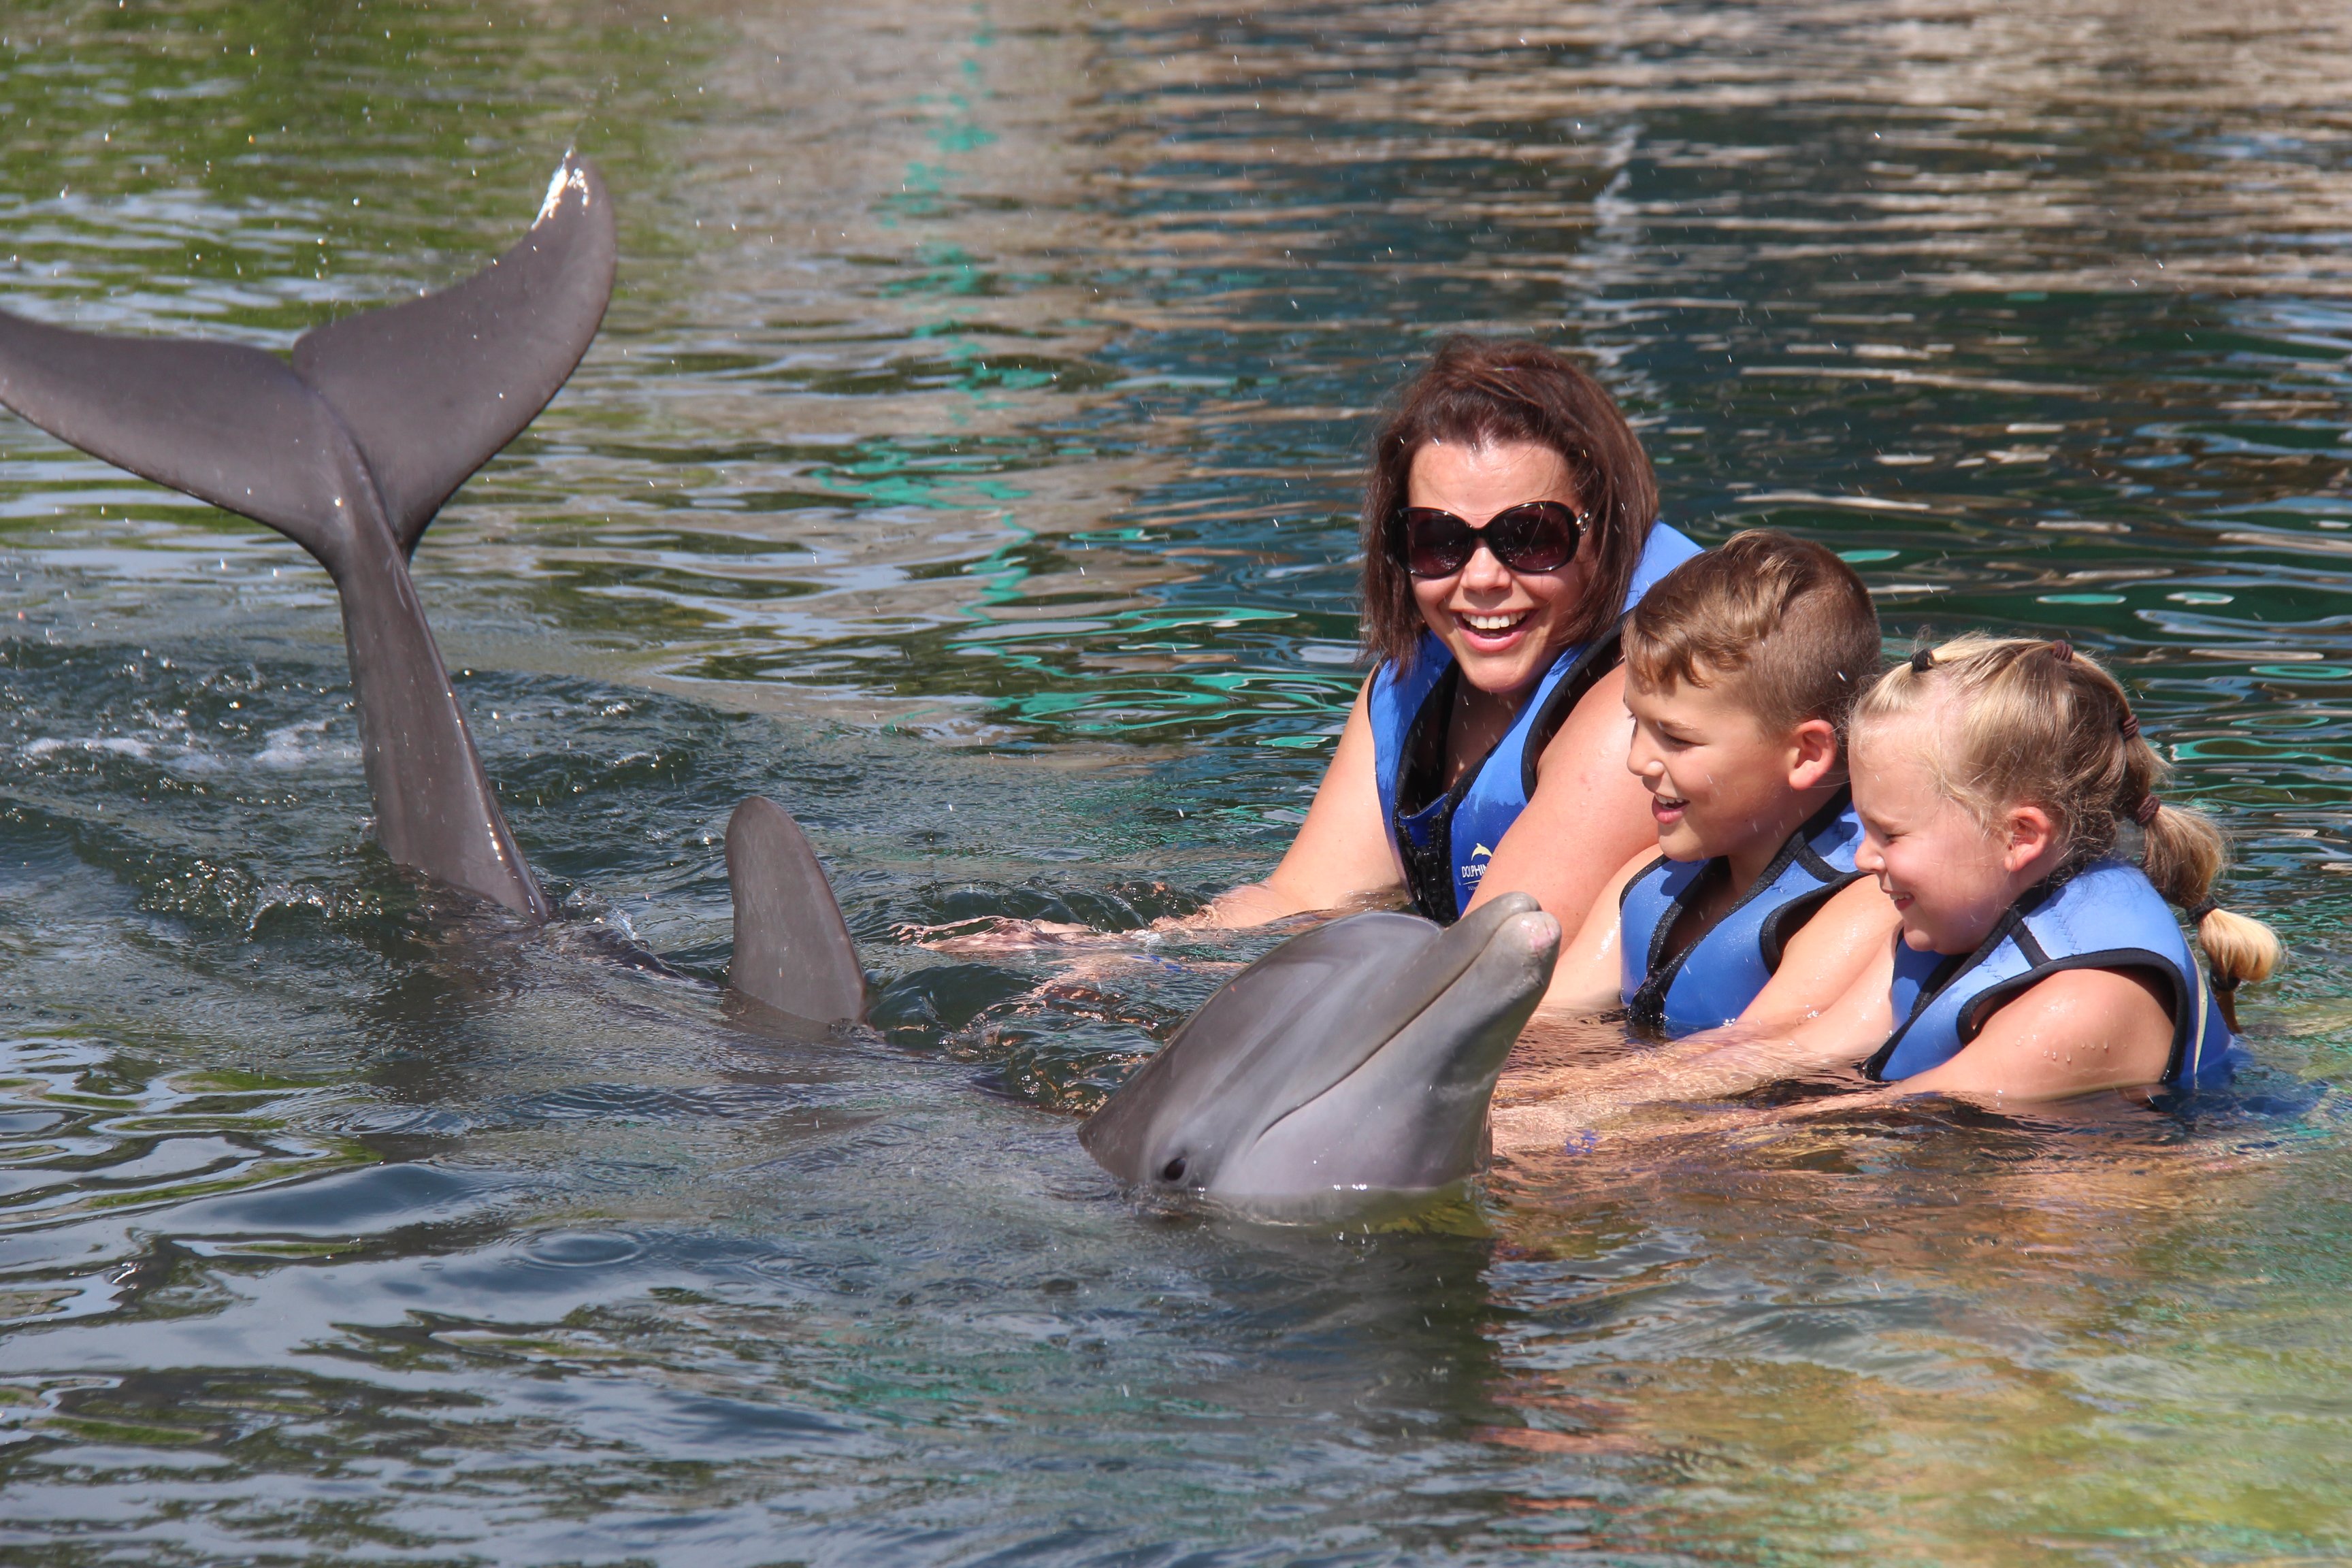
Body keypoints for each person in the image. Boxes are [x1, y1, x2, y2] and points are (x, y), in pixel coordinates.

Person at [1496, 636, 2283, 1142]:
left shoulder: (2086, 1002)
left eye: (1890, 835)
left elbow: (1869, 1119)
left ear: (2019, 837)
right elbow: (1780, 1049)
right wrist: (1533, 1105)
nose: (1862, 861)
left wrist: (1590, 1145)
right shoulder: (1949, 918)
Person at [1194, 336, 1703, 932]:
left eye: (1531, 536)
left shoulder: (1649, 699)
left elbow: (1489, 960)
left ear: (1606, 532)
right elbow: (1298, 900)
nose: (1482, 579)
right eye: (1440, 541)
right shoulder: (1416, 681)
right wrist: (1136, 954)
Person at [1534, 531, 1898, 1026]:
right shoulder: (1650, 880)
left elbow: (1739, 1060)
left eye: (1676, 738)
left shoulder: (1868, 903)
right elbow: (1545, 1019)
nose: (1638, 761)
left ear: (1806, 754)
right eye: (1636, 722)